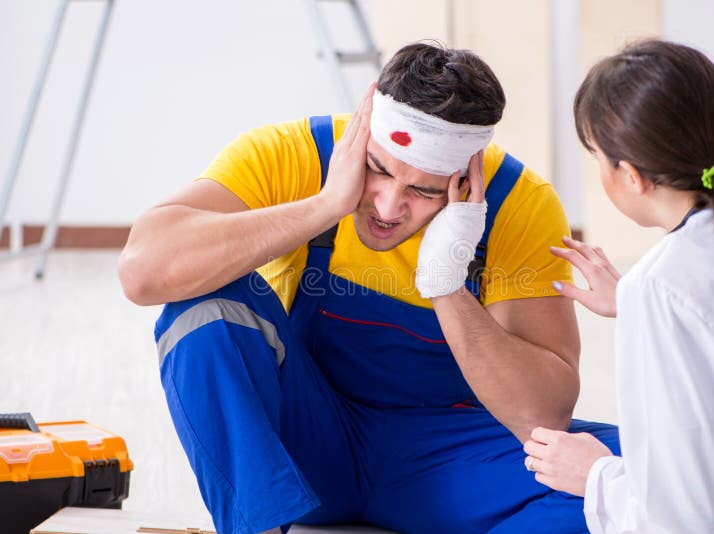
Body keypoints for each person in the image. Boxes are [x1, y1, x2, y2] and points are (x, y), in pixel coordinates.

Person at [119, 42, 619, 534]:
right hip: (308, 446)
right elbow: (144, 273)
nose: (386, 207)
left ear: (467, 179)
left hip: (445, 457)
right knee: (203, 303)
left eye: (424, 191)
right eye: (376, 171)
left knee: (621, 474)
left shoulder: (517, 205)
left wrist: (445, 282)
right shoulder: (294, 155)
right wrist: (324, 206)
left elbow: (542, 418)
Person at [523, 39, 714, 533]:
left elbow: (688, 521)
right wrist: (641, 306)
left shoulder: (665, 286)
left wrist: (596, 475)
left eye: (597, 157)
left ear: (630, 176)